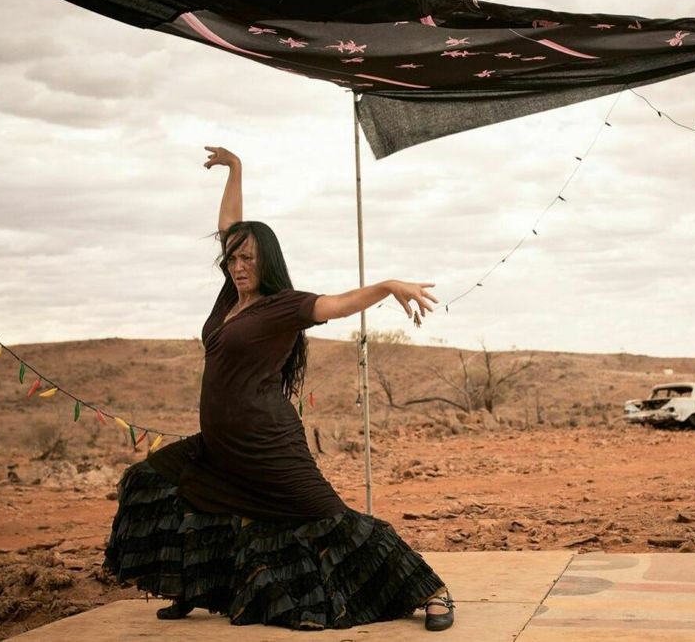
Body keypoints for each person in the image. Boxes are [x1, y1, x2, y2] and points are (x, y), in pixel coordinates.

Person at [103, 146, 454, 632]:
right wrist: (236, 169)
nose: (237, 265)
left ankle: (431, 590)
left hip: (267, 442)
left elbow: (338, 304)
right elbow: (231, 225)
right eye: (232, 258)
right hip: (220, 446)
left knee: (328, 516)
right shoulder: (231, 296)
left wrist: (387, 285)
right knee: (153, 482)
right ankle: (196, 586)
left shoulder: (285, 305)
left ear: (265, 261)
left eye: (247, 258)